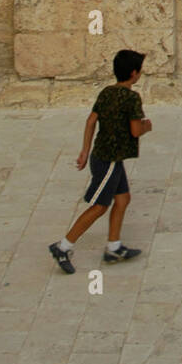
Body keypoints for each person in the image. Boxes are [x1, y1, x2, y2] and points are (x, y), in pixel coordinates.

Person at [48, 49, 152, 273]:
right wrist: (146, 126)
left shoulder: (106, 92)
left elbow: (90, 121)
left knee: (123, 198)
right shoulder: (132, 98)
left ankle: (114, 247)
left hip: (102, 155)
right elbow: (135, 130)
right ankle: (63, 246)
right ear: (134, 73)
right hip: (110, 160)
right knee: (99, 206)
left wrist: (85, 151)